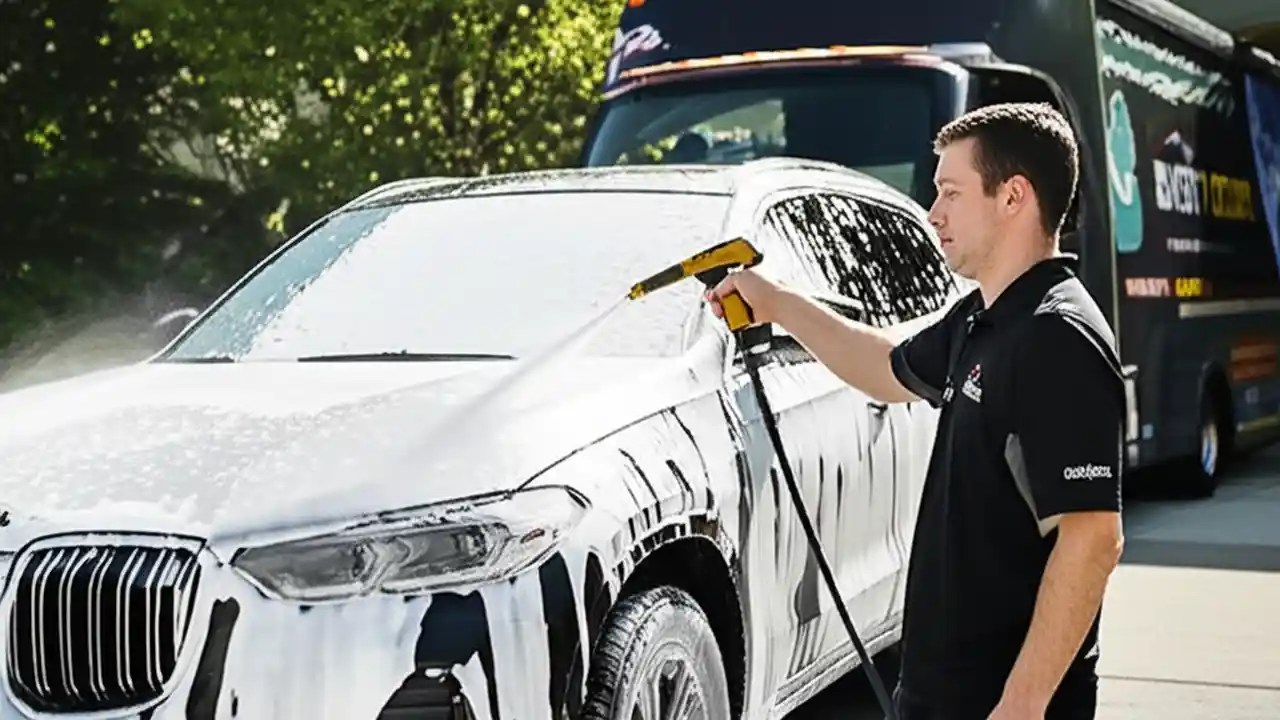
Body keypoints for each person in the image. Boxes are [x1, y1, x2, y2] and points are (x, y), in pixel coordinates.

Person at [706, 102, 1125, 719]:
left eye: (951, 193)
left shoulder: (1057, 335)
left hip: (998, 704)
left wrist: (1024, 704)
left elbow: (1092, 539)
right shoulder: (981, 318)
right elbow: (886, 368)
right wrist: (779, 303)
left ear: (1013, 197)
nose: (934, 214)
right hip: (937, 693)